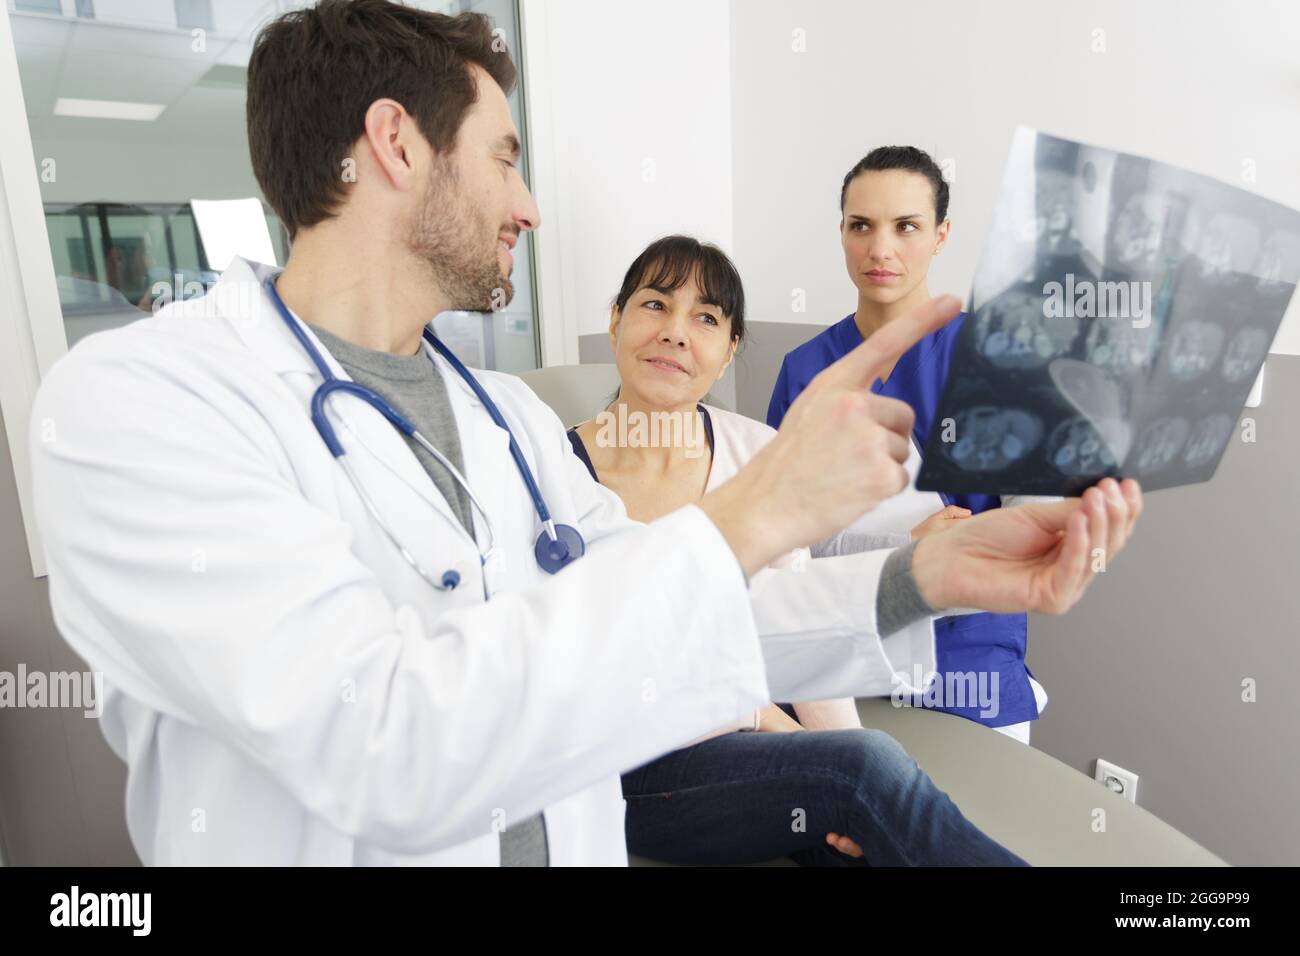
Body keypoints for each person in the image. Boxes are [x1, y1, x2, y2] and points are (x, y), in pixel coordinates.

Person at [28, 1, 1142, 866]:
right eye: (505, 155)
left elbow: (689, 609)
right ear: (396, 145)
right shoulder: (138, 405)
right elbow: (383, 737)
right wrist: (764, 505)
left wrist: (921, 576)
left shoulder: (508, 419)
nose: (530, 205)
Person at [568, 235, 1027, 865]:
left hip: (751, 752)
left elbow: (805, 629)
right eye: (654, 305)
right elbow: (595, 666)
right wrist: (787, 733)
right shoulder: (553, 470)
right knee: (861, 778)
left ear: (727, 353)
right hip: (626, 771)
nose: (676, 333)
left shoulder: (756, 451)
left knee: (856, 831)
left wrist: (839, 756)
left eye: (705, 318)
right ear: (616, 320)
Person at [768, 146, 1052, 744]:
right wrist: (908, 553)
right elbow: (781, 550)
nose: (881, 249)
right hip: (835, 668)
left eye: (906, 226)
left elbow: (1039, 528)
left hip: (967, 673)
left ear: (941, 234)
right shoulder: (804, 372)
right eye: (861, 226)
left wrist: (962, 557)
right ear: (841, 231)